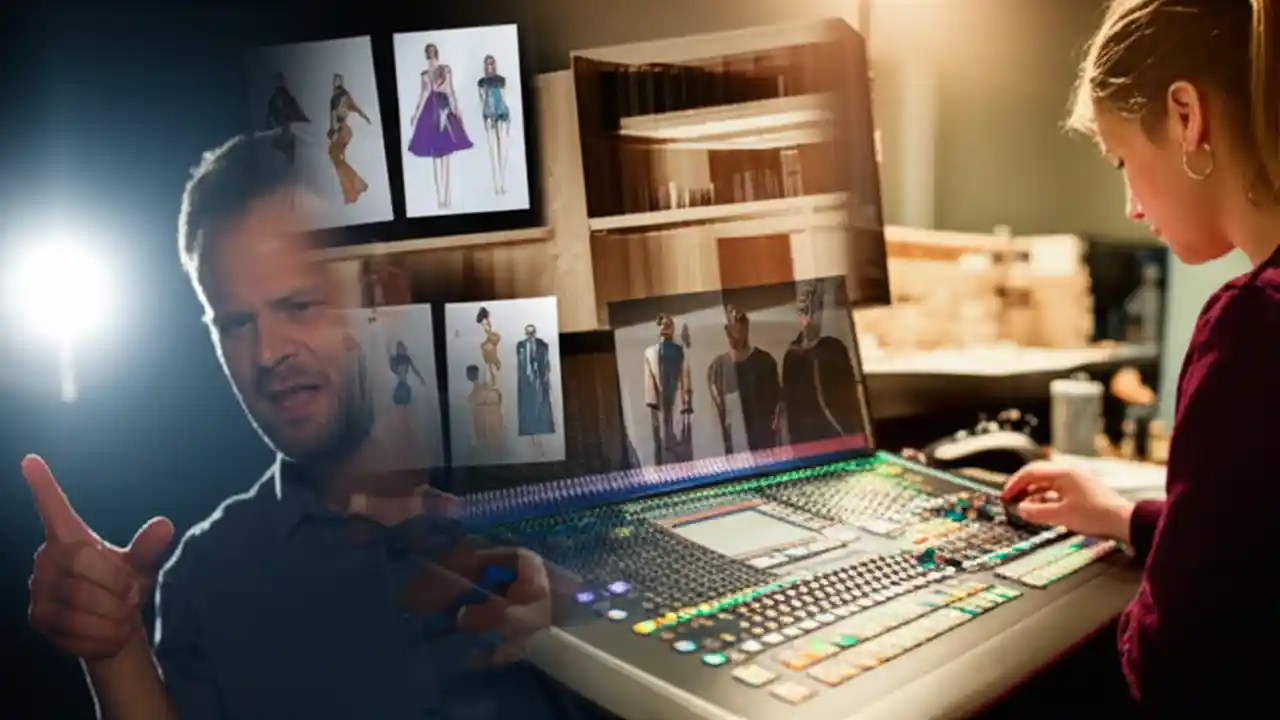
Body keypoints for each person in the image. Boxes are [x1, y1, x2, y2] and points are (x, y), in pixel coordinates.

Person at [20, 133, 592, 719]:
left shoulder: (559, 483)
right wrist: (114, 649)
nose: (267, 353)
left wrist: (585, 616)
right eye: (237, 323)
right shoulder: (209, 580)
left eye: (300, 307)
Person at [1001, 0, 1280, 715]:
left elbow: (1172, 668)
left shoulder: (1253, 326)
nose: (1128, 204)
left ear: (1187, 115)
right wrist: (1130, 518)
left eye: (1123, 158)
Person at [408, 42, 473, 209]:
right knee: (439, 157)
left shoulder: (444, 70)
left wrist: (457, 111)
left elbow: (450, 91)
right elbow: (425, 94)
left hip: (441, 111)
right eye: (429, 54)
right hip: (433, 112)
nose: (430, 57)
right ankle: (442, 199)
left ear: (434, 54)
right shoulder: (427, 73)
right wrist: (416, 113)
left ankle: (444, 199)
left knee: (443, 157)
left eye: (431, 54)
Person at [328, 72, 372, 205]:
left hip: (344, 131)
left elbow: (355, 108)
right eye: (335, 81)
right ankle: (352, 189)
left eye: (338, 81)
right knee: (338, 160)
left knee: (336, 158)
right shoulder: (333, 99)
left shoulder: (344, 96)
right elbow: (331, 119)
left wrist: (366, 117)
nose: (336, 84)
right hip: (340, 131)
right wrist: (331, 133)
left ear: (341, 83)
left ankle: (354, 188)